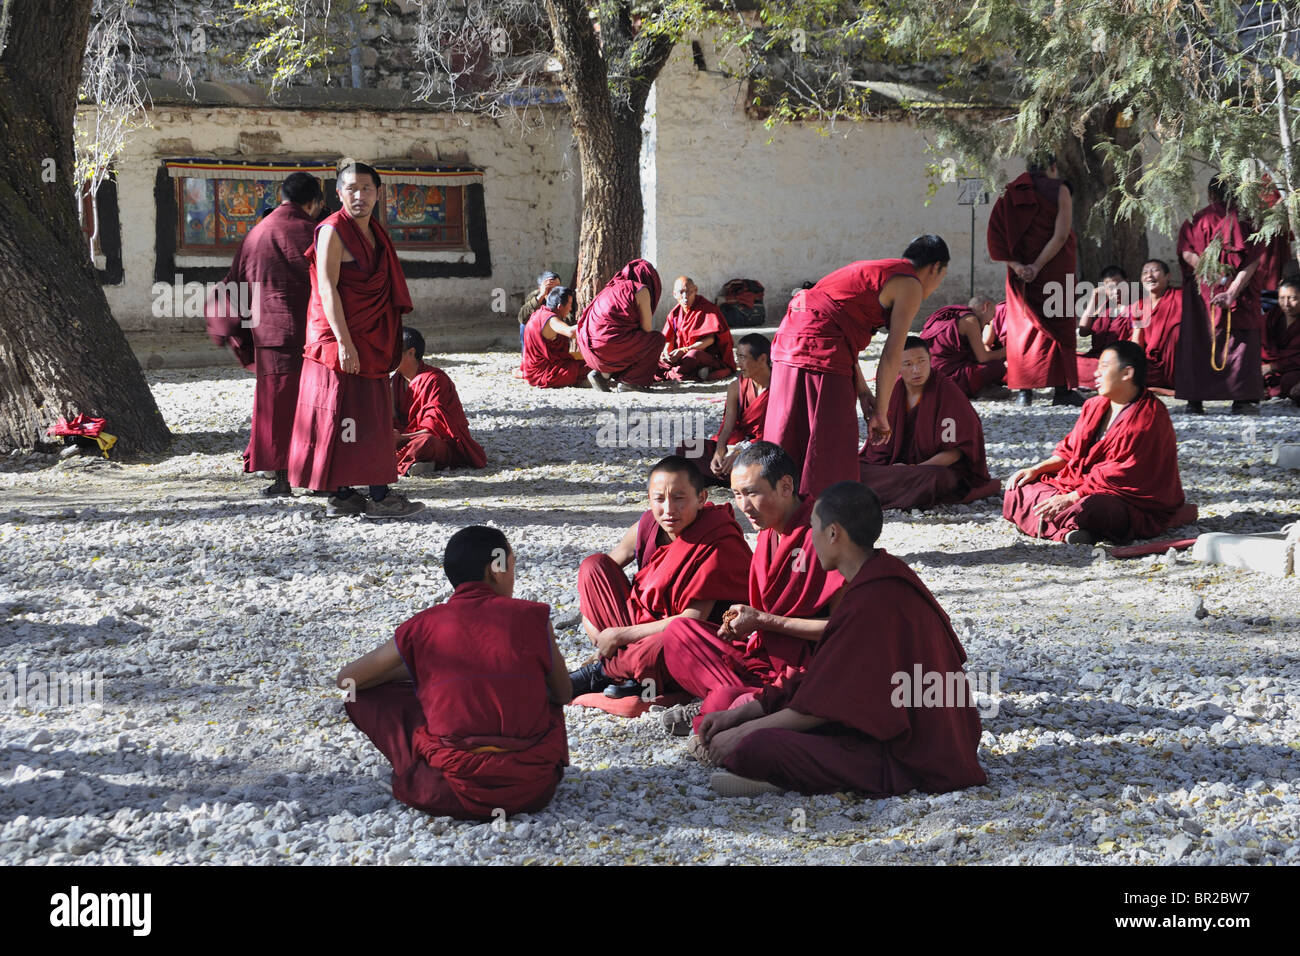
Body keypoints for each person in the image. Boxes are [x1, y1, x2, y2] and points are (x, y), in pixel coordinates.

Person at [699, 481, 988, 798]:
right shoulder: (882, 574)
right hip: (902, 730)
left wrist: (742, 732)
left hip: (910, 756)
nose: (811, 539)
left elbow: (820, 707)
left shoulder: (873, 596)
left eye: (814, 529)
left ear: (833, 534)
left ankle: (782, 779)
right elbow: (826, 680)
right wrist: (737, 716)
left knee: (758, 746)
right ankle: (778, 769)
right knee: (739, 708)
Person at [338, 526, 570, 820]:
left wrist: (418, 673)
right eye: (512, 567)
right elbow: (564, 694)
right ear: (495, 570)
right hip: (531, 787)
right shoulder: (533, 616)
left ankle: (417, 763)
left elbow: (347, 680)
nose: (513, 576)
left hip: (446, 789)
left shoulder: (423, 625)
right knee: (544, 691)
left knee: (359, 696)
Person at [659, 442, 844, 735]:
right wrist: (744, 623)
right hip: (763, 657)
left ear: (786, 486)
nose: (744, 507)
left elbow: (844, 630)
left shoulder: (823, 538)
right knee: (679, 633)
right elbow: (763, 615)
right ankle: (738, 702)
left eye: (752, 493)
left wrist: (763, 620)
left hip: (805, 671)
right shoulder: (769, 534)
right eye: (737, 494)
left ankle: (731, 704)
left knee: (728, 700)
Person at [765, 236, 951, 497]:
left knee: (789, 430)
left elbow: (840, 330)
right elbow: (891, 354)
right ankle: (822, 514)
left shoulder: (877, 270)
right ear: (936, 267)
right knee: (830, 439)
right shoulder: (911, 284)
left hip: (789, 342)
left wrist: (864, 393)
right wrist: (881, 414)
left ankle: (778, 503)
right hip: (819, 350)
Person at [287, 160, 422, 518]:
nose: (359, 196)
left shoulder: (376, 232)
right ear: (338, 193)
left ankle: (351, 495)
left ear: (378, 193)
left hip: (371, 337)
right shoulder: (331, 230)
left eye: (366, 189)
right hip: (340, 338)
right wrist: (344, 342)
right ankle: (370, 495)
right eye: (351, 189)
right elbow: (327, 288)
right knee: (343, 416)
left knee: (370, 416)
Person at [567, 455, 752, 699]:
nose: (668, 510)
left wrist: (619, 635)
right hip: (638, 626)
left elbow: (690, 621)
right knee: (594, 565)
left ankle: (606, 670)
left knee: (664, 644)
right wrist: (590, 620)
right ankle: (630, 669)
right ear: (649, 500)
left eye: (679, 498)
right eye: (659, 499)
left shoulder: (716, 540)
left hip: (681, 638)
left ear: (701, 498)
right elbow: (598, 580)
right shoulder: (647, 526)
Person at [204, 172, 326, 496]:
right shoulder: (317, 233)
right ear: (314, 202)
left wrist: (228, 328)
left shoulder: (256, 234)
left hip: (271, 335)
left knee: (278, 407)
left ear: (283, 196)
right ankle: (321, 479)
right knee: (319, 404)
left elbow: (234, 286)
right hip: (318, 335)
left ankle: (282, 479)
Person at [1003, 341, 1189, 545]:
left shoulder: (1148, 417)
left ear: (1127, 373)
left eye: (1104, 367)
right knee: (1019, 487)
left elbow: (1123, 474)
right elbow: (1069, 451)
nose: (1096, 374)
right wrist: (1037, 469)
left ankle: (1059, 525)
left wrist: (1072, 497)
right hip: (1078, 485)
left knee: (1093, 508)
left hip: (1125, 499)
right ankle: (1068, 530)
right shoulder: (1093, 405)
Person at [987, 152, 1084, 407]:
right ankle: (1062, 390)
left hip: (1020, 274)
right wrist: (1038, 266)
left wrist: (1019, 266)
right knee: (1060, 324)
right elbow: (1061, 235)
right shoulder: (1059, 189)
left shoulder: (1010, 192)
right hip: (1055, 269)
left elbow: (996, 236)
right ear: (1053, 166)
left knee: (1023, 327)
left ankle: (1024, 391)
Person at [858, 336, 995, 510]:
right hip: (900, 469)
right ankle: (888, 489)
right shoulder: (893, 391)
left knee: (934, 479)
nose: (916, 370)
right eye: (907, 364)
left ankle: (869, 493)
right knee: (855, 469)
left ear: (930, 360)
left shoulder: (947, 392)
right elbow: (878, 448)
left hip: (934, 469)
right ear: (897, 367)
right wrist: (894, 468)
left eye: (921, 361)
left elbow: (955, 452)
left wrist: (913, 469)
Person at [1175, 176, 1267, 415]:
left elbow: (1187, 254)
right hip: (1239, 290)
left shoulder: (1195, 220)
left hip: (1203, 293)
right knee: (1240, 342)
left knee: (1200, 338)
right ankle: (1242, 399)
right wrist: (1231, 289)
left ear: (1210, 194)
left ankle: (1195, 401)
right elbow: (1253, 262)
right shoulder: (1248, 221)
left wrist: (1216, 280)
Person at [679, 333, 771, 487]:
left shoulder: (779, 387)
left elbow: (776, 435)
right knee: (686, 448)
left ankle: (736, 477)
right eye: (737, 357)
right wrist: (719, 452)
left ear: (762, 359)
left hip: (763, 449)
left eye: (743, 357)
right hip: (737, 445)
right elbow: (727, 425)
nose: (739, 364)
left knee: (770, 461)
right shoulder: (736, 387)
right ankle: (739, 477)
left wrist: (740, 453)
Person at [392, 326, 487, 478]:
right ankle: (411, 463)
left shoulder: (435, 380)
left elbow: (437, 428)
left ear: (411, 353)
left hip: (430, 440)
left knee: (426, 443)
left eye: (394, 352)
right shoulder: (395, 381)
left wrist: (401, 438)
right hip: (400, 438)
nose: (388, 356)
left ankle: (394, 461)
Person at [576, 259, 666, 392]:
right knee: (655, 340)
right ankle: (630, 383)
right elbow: (646, 329)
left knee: (627, 337)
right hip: (608, 347)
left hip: (588, 351)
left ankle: (601, 374)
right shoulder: (640, 289)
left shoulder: (611, 288)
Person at [917, 299, 1007, 398]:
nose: (989, 323)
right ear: (986, 306)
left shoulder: (955, 315)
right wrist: (1007, 351)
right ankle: (976, 390)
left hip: (928, 374)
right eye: (992, 315)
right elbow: (983, 357)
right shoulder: (970, 320)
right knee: (998, 366)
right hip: (947, 377)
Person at [657, 277, 737, 382]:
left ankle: (671, 374)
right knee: (654, 361)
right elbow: (668, 339)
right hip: (682, 358)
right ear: (674, 294)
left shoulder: (708, 309)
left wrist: (685, 350)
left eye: (689, 292)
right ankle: (686, 373)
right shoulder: (674, 314)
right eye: (681, 292)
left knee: (692, 355)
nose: (685, 297)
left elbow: (710, 339)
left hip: (704, 357)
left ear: (695, 290)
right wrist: (666, 353)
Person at [1128, 259, 1183, 392]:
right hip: (1152, 364)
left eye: (1155, 271)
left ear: (1168, 276)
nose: (1149, 276)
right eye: (1145, 272)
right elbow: (1137, 341)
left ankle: (1164, 389)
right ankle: (1163, 389)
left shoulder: (1181, 297)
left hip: (1180, 363)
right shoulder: (1139, 305)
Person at [1076, 265, 1134, 387]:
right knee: (1071, 360)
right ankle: (1108, 379)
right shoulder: (1104, 307)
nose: (1116, 291)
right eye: (1110, 287)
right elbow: (1083, 331)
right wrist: (1093, 298)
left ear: (1127, 282)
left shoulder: (1137, 305)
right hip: (1100, 357)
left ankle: (1107, 379)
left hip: (1124, 359)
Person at [521, 286, 589, 389]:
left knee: (583, 360)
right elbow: (571, 332)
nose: (570, 309)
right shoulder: (550, 320)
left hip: (530, 371)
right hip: (546, 373)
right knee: (593, 365)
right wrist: (592, 323)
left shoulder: (537, 313)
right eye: (570, 304)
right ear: (560, 306)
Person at [1263, 277, 1300, 405]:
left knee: (1289, 381)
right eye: (1282, 298)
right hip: (1273, 371)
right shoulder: (1272, 317)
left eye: (1293, 298)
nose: (1286, 304)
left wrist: (1274, 366)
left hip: (1294, 371)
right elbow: (1263, 347)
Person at [518, 271, 561, 350]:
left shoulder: (563, 296)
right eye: (550, 288)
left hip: (557, 332)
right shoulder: (536, 296)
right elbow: (522, 318)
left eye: (557, 287)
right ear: (540, 288)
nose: (554, 292)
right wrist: (541, 295)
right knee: (524, 326)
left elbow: (569, 319)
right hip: (538, 333)